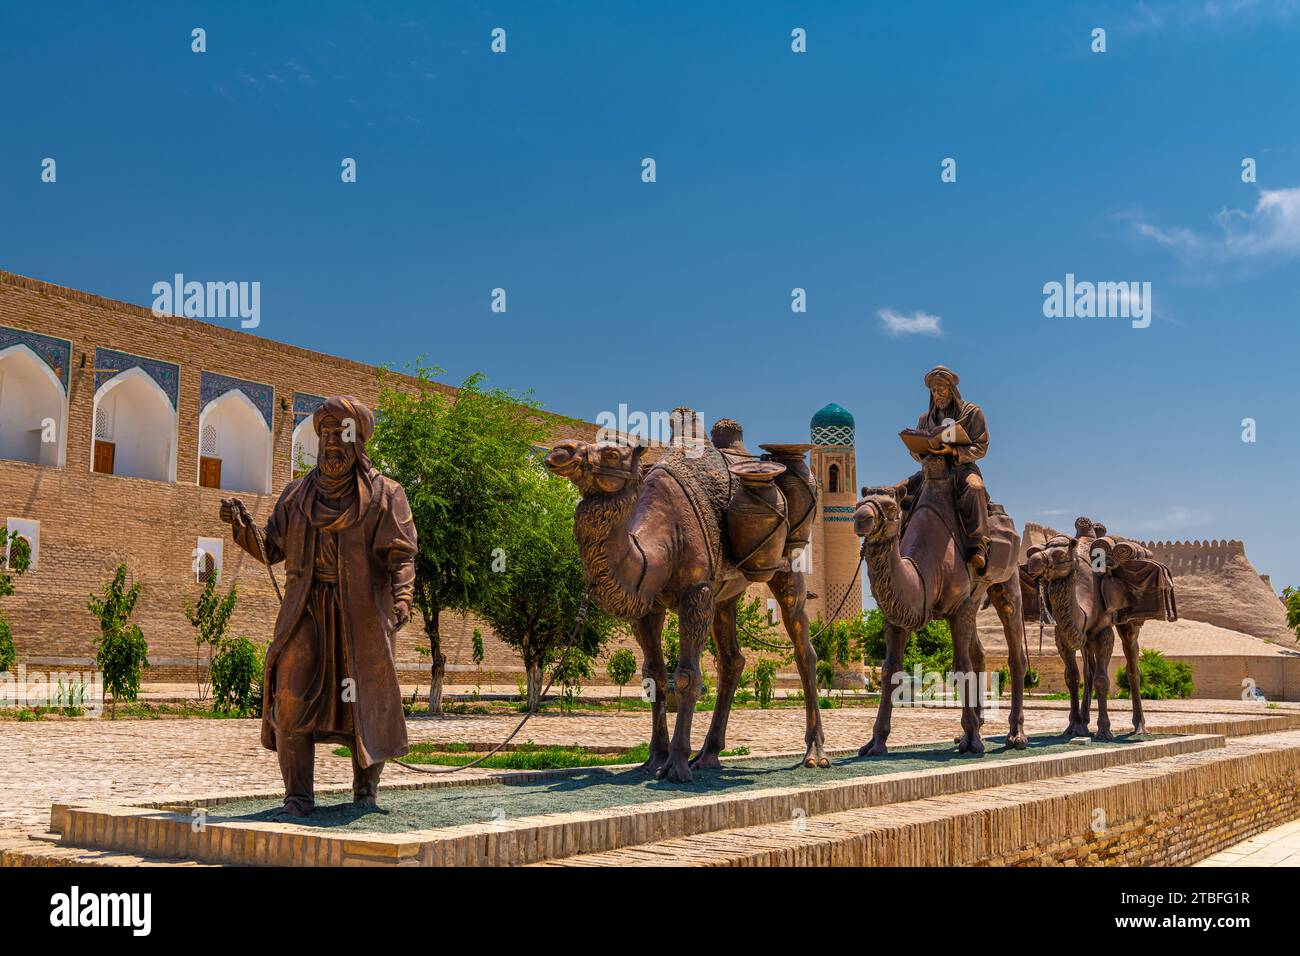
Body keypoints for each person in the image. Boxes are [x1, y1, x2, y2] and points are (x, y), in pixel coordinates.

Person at [220, 396, 417, 816]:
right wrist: (240, 527)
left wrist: (402, 598)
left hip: (361, 613)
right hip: (306, 609)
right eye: (326, 433)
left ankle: (365, 793)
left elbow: (401, 555)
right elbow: (272, 548)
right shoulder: (296, 495)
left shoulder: (385, 494)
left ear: (358, 439)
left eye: (341, 433)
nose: (332, 442)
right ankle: (297, 796)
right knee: (290, 692)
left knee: (365, 700)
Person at [901, 366, 992, 570]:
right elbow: (916, 451)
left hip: (961, 469)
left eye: (941, 388)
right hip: (931, 470)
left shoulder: (971, 413)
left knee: (975, 488)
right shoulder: (925, 419)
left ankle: (977, 545)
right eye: (934, 390)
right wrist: (921, 450)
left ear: (951, 389)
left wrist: (951, 451)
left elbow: (980, 446)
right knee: (897, 491)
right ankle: (900, 540)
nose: (938, 393)